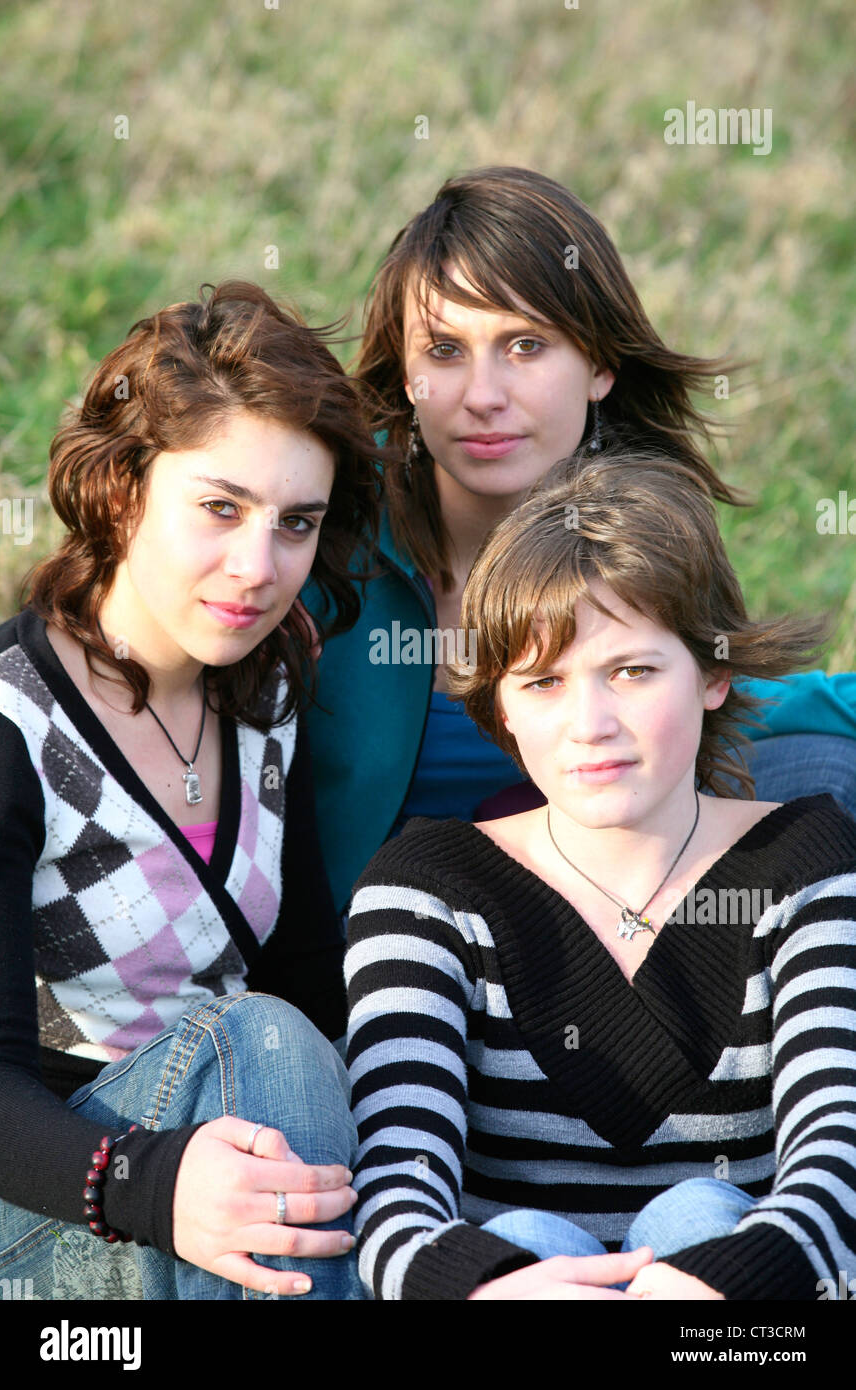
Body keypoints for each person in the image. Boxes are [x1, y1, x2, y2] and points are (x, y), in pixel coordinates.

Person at [343, 451, 856, 1301]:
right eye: (543, 682)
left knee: (697, 1217)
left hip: (740, 1330)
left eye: (632, 671)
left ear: (715, 673)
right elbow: (395, 1191)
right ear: (500, 705)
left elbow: (839, 1162)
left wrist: (716, 1286)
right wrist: (489, 1286)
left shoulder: (806, 867)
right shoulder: (429, 888)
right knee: (522, 1238)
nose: (590, 725)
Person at [304, 166, 856, 919]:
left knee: (825, 769)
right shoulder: (321, 521)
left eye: (525, 346)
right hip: (374, 959)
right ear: (404, 373)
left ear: (599, 365)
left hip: (595, 946)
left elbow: (703, 682)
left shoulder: (640, 521)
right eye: (444, 351)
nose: (483, 395)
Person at [0, 281, 380, 1300]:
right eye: (220, 507)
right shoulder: (8, 727)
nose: (257, 566)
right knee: (260, 1037)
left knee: (292, 1047)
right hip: (39, 1206)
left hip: (230, 1167)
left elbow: (300, 966)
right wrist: (151, 1186)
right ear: (124, 488)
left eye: (295, 523)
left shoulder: (271, 684)